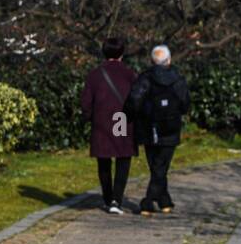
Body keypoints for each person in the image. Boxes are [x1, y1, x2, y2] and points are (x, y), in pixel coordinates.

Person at [127, 44, 190, 216]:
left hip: (149, 128)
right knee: (160, 167)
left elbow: (134, 100)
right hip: (170, 129)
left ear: (152, 61)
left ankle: (153, 201)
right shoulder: (178, 79)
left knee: (157, 166)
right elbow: (185, 105)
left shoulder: (145, 78)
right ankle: (159, 202)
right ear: (169, 60)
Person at [80, 37, 138, 214]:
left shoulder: (95, 75)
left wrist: (89, 117)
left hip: (102, 121)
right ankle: (116, 199)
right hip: (122, 119)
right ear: (122, 53)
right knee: (123, 157)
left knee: (103, 160)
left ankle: (107, 197)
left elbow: (85, 102)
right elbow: (137, 98)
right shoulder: (129, 74)